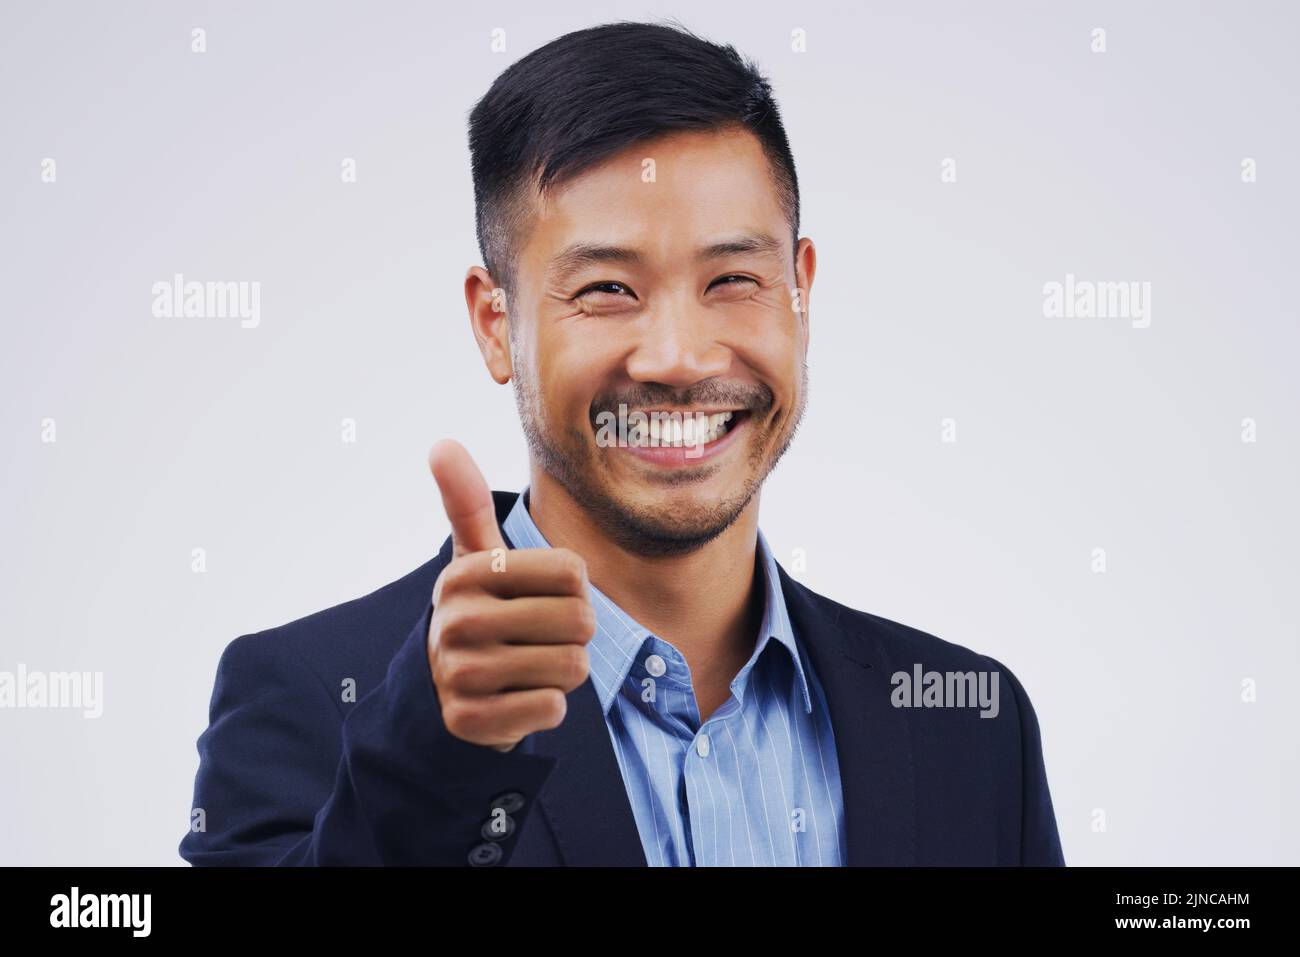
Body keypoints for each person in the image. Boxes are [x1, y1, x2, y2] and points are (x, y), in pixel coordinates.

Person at [180, 20, 1065, 867]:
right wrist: (432, 757)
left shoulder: (972, 726)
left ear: (801, 291)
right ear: (497, 325)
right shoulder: (309, 698)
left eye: (733, 279)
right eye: (606, 288)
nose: (678, 357)